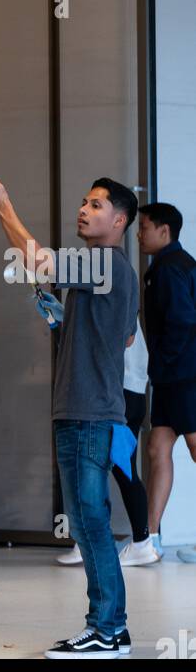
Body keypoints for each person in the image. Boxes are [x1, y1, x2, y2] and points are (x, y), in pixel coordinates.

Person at [0, 174, 139, 660]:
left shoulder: (106, 263)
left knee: (90, 522)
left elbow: (36, 258)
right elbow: (126, 337)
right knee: (90, 521)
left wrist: (3, 206)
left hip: (90, 413)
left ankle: (106, 630)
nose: (84, 210)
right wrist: (72, 321)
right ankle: (112, 628)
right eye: (83, 202)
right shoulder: (107, 272)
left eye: (96, 204)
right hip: (85, 410)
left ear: (120, 220)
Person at [55, 317, 154, 567]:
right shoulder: (124, 300)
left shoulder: (111, 296)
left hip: (115, 392)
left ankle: (91, 543)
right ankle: (141, 542)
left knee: (93, 465)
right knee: (123, 469)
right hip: (134, 392)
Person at [139, 202, 196, 561]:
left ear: (164, 230)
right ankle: (151, 539)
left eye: (144, 227)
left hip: (184, 375)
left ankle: (153, 537)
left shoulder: (172, 267)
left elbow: (183, 321)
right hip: (169, 376)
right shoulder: (165, 265)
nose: (140, 234)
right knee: (158, 449)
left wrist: (165, 361)